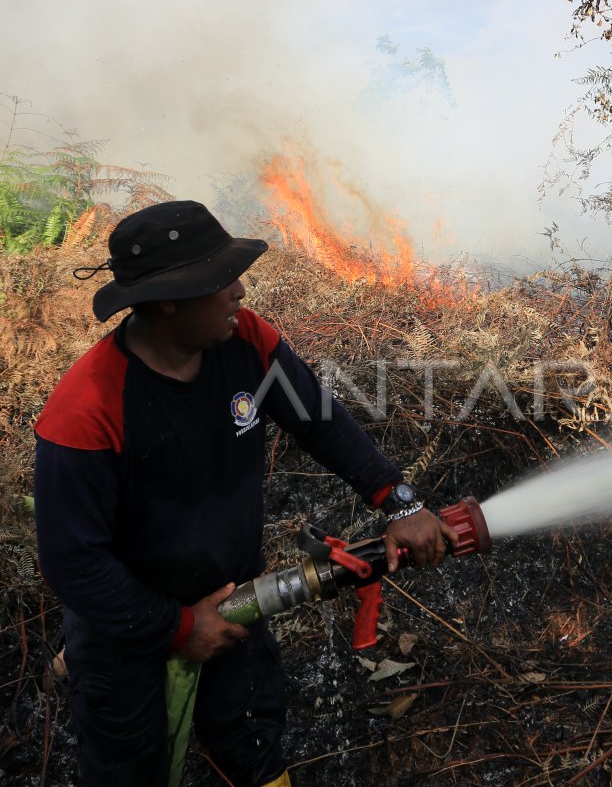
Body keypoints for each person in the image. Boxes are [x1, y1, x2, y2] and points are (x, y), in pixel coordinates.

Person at [33, 200, 458, 787]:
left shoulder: (247, 343)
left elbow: (320, 421)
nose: (238, 290)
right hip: (125, 635)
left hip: (236, 606)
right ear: (167, 300)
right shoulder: (88, 408)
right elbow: (71, 561)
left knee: (253, 737)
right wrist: (179, 628)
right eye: (219, 281)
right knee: (129, 766)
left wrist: (399, 501)